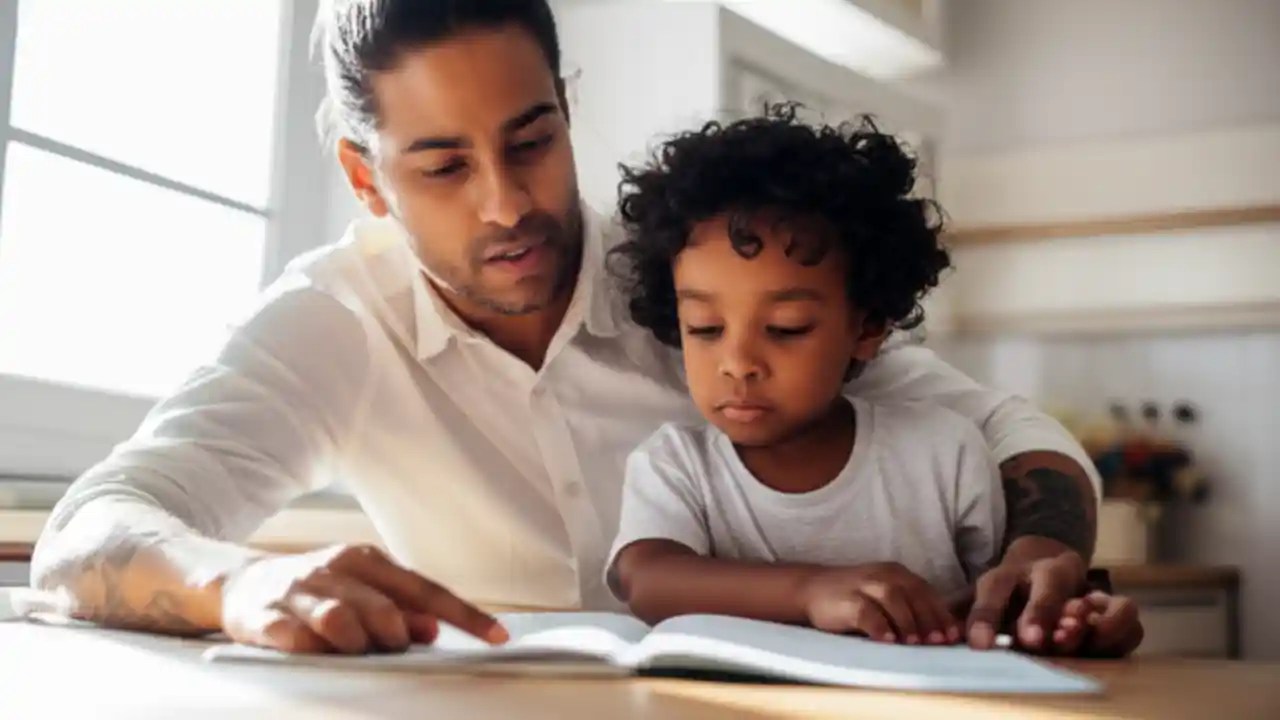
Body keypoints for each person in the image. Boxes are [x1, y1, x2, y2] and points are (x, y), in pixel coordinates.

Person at [32, 0, 1119, 656]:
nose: (507, 204)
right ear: (365, 178)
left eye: (531, 139)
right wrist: (241, 585)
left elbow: (1003, 424)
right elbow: (90, 531)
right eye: (444, 166)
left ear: (565, 106)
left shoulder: (694, 281)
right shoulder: (331, 322)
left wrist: (1038, 547)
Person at [605, 107, 1142, 655]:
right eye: (706, 327)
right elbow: (646, 579)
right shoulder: (676, 465)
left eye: (786, 329)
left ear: (867, 327)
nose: (738, 362)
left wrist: (1058, 617)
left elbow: (1009, 597)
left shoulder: (945, 453)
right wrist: (810, 590)